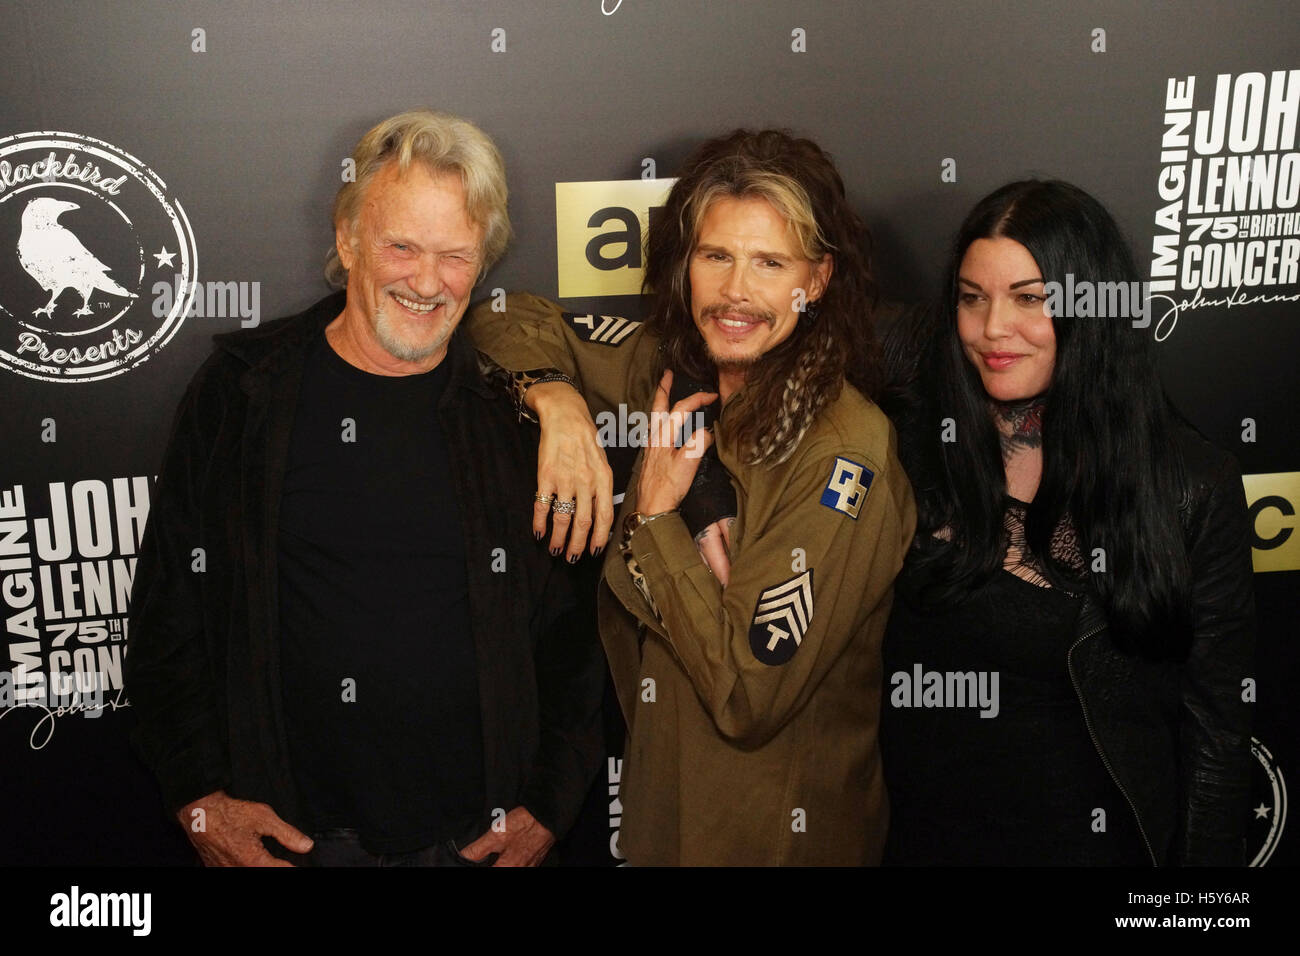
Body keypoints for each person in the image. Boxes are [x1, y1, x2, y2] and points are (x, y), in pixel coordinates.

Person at [124, 109, 605, 867]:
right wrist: (197, 798)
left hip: (474, 844)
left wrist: (550, 802)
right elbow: (168, 618)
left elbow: (574, 641)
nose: (425, 281)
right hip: (289, 843)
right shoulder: (242, 394)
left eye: (455, 256)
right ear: (347, 239)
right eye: (400, 246)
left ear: (481, 267)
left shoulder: (512, 415)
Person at [467, 129, 916, 865]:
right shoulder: (674, 373)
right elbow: (507, 313)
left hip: (771, 838)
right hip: (661, 818)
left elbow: (746, 695)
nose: (736, 292)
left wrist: (653, 517)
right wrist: (557, 401)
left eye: (770, 263)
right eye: (716, 257)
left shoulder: (844, 457)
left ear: (819, 280)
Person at [878, 179, 1256, 865]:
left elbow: (1217, 742)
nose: (993, 328)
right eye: (972, 297)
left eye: (1030, 299)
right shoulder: (915, 435)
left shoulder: (1189, 486)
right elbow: (754, 339)